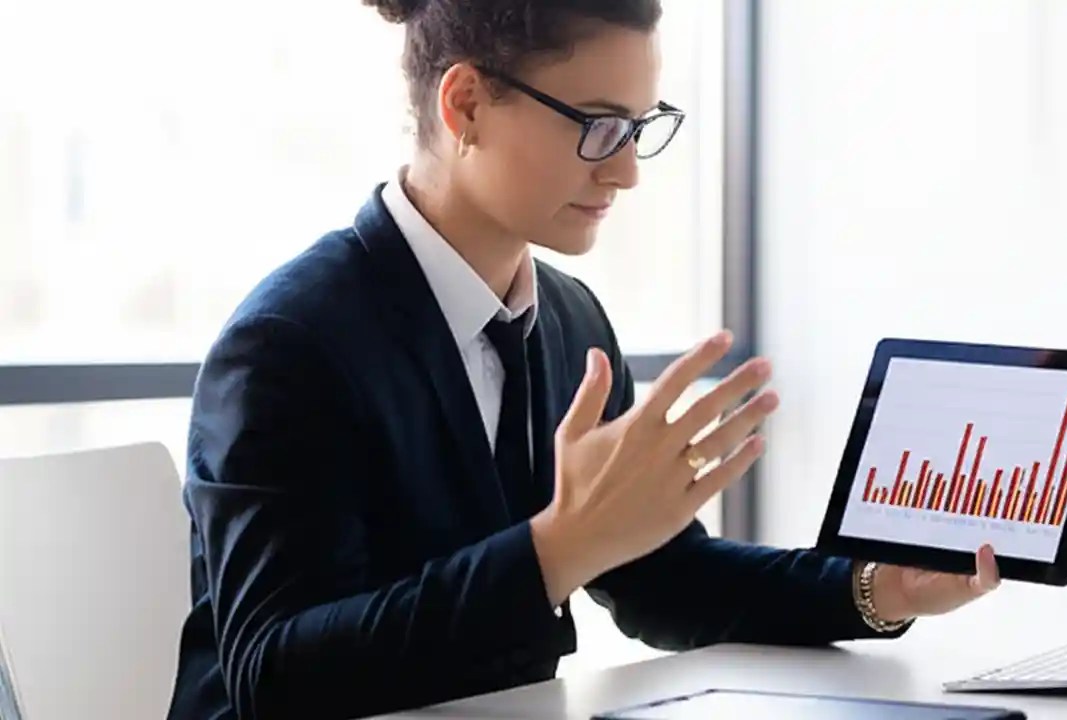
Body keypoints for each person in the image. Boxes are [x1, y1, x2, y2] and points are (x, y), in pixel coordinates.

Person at [166, 1, 1001, 718]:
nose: (630, 171)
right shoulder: (289, 345)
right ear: (466, 106)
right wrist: (556, 552)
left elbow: (659, 578)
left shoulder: (569, 321)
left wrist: (874, 589)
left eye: (640, 128)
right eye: (599, 126)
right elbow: (272, 678)